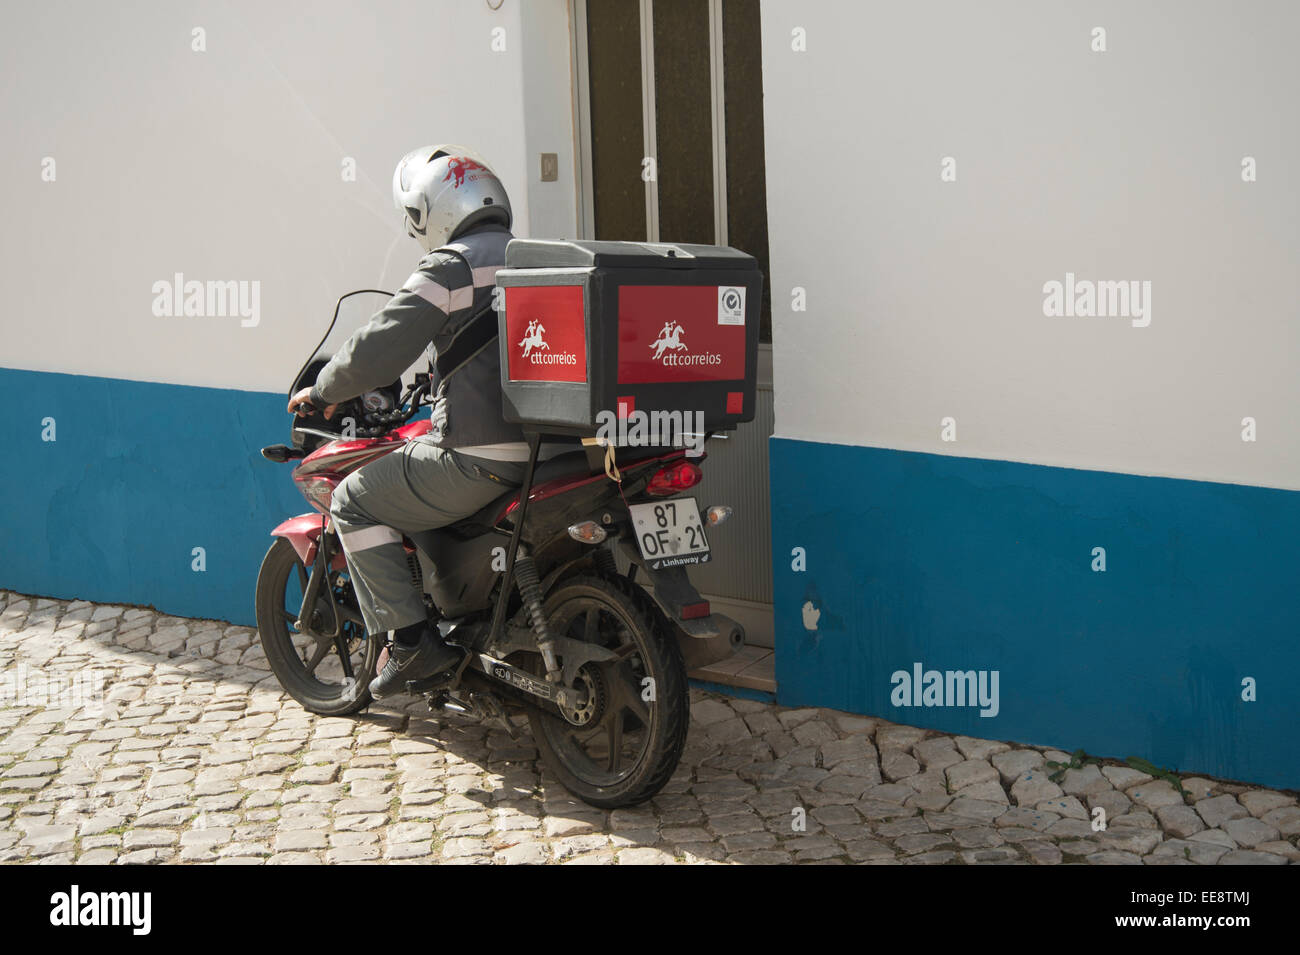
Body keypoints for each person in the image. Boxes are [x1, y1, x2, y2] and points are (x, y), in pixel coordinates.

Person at [287, 145, 556, 699]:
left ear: (434, 210)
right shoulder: (543, 258)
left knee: (354, 500)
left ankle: (412, 645)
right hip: (557, 452)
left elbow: (380, 347)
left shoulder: (451, 268)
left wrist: (327, 389)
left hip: (480, 455)